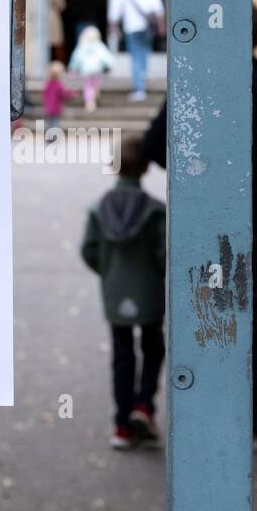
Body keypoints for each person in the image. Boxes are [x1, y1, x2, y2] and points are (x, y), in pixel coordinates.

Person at [142, 4, 257, 449]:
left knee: (206, 322)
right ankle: (252, 422)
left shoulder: (194, 88)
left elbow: (153, 146)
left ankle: (207, 415)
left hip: (203, 227)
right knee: (255, 326)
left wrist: (194, 166)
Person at [81, 135, 167, 450]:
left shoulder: (98, 209)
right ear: (145, 168)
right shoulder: (156, 211)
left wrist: (108, 272)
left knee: (122, 355)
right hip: (150, 291)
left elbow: (89, 249)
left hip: (115, 292)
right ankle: (144, 406)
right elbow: (164, 253)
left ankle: (122, 425)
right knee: (153, 347)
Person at [108, 0, 164, 101]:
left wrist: (113, 27)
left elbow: (114, 12)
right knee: (144, 53)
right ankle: (143, 79)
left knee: (136, 57)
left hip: (132, 28)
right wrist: (161, 26)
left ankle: (139, 89)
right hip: (148, 26)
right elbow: (158, 8)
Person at [67, 24, 114, 112]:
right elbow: (106, 57)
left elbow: (76, 58)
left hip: (85, 71)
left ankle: (90, 102)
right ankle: (94, 95)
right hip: (96, 70)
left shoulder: (82, 46)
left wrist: (73, 69)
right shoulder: (99, 46)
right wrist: (110, 65)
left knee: (88, 87)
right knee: (95, 84)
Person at [41, 60, 74, 132]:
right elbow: (63, 95)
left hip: (48, 107)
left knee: (49, 122)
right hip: (56, 107)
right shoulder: (59, 85)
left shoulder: (47, 84)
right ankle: (54, 135)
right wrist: (71, 94)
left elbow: (45, 94)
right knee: (55, 123)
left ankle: (49, 134)